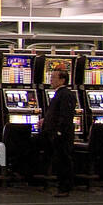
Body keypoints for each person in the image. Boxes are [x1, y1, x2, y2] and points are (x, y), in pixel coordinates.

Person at [42, 69, 77, 197]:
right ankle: (61, 186)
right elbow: (55, 114)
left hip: (63, 134)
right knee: (59, 159)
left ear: (62, 80)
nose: (51, 80)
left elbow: (65, 116)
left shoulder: (65, 94)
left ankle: (65, 188)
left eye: (54, 77)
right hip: (56, 132)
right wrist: (45, 121)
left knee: (64, 160)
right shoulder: (59, 93)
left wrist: (59, 132)